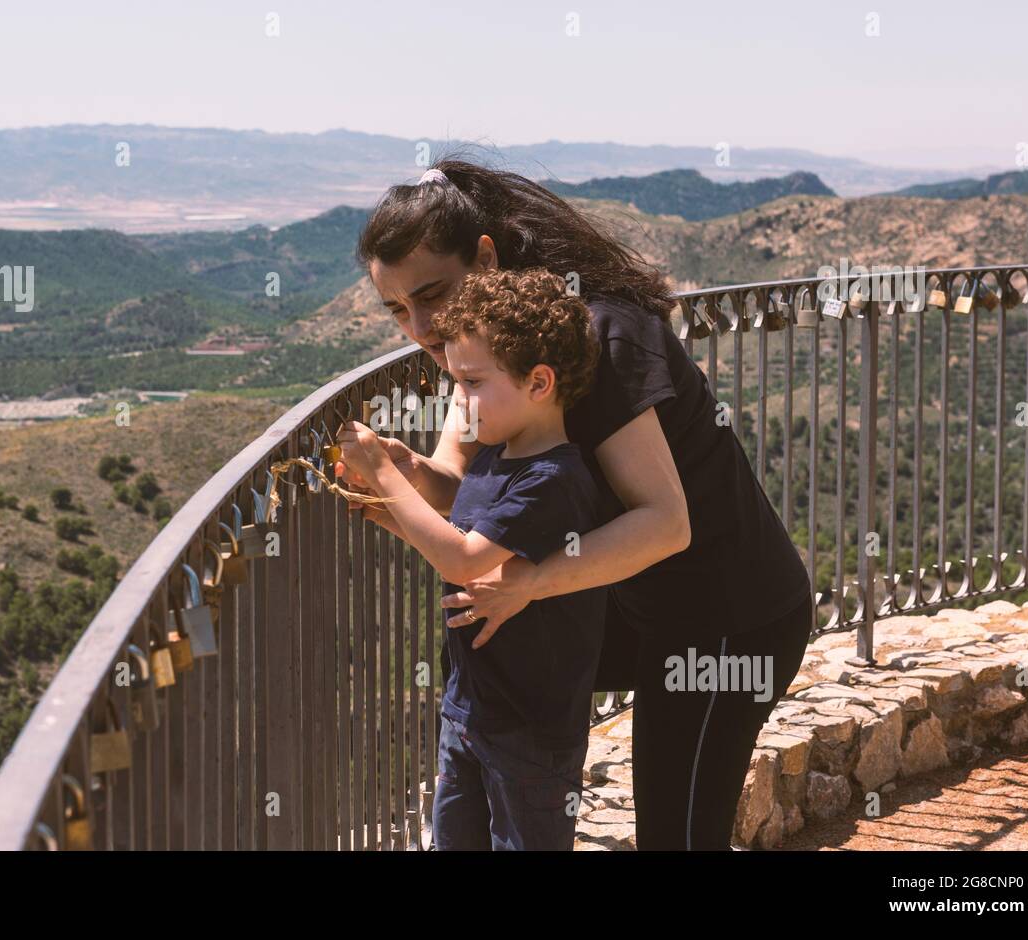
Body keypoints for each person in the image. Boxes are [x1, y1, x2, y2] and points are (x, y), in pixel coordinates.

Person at [336, 157, 813, 849]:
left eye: (432, 294)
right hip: (636, 601)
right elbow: (463, 482)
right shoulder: (485, 349)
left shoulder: (599, 336)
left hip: (727, 618)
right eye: (398, 310)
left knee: (677, 837)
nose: (421, 327)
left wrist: (531, 580)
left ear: (487, 256)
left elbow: (664, 523)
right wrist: (408, 474)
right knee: (489, 651)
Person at [337, 267, 607, 850]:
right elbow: (460, 531)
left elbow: (463, 560)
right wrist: (391, 498)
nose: (459, 401)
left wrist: (385, 475)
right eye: (455, 382)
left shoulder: (552, 478)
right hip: (471, 705)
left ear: (539, 383)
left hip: (532, 725)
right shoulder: (494, 455)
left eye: (473, 382)